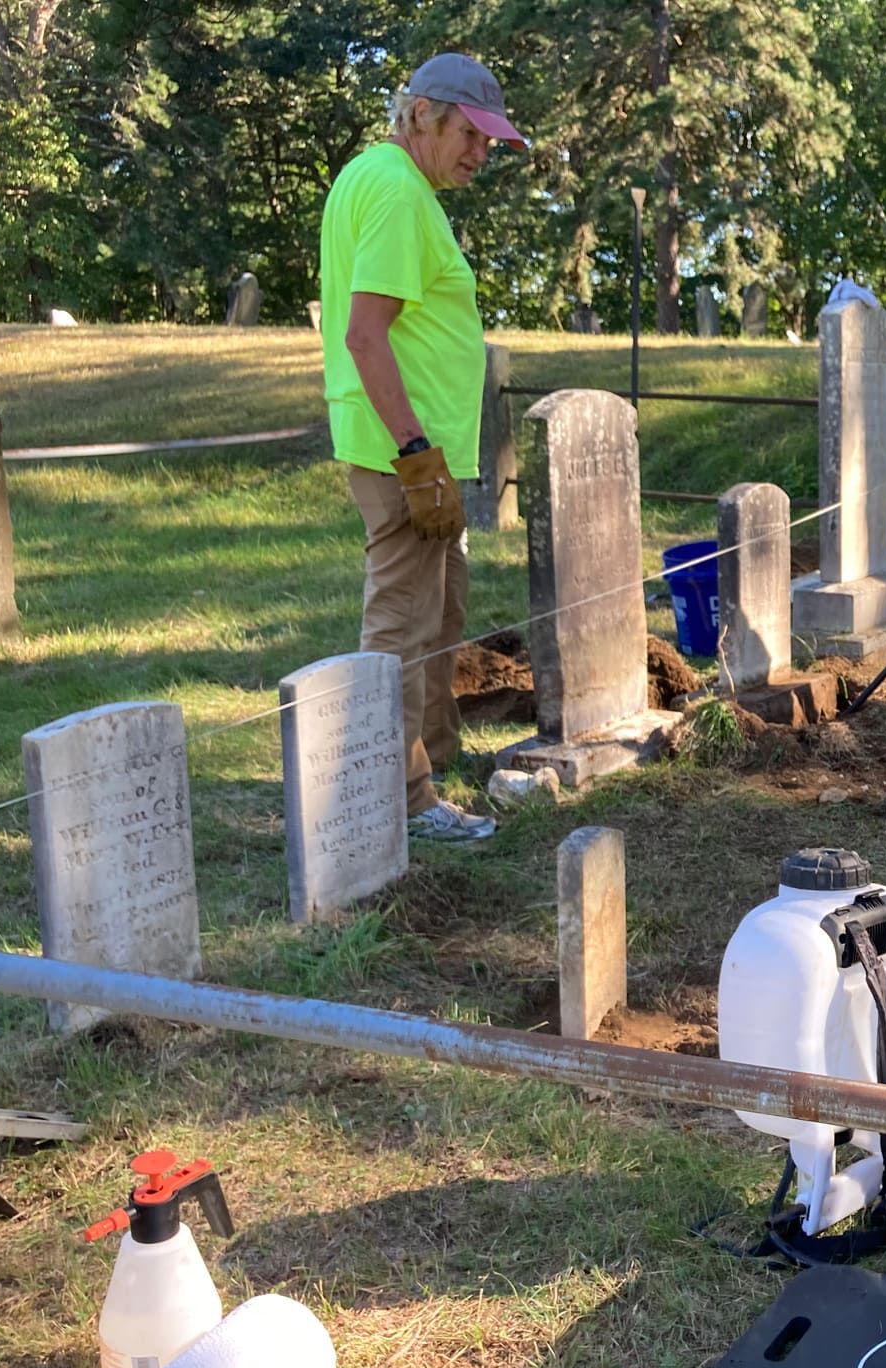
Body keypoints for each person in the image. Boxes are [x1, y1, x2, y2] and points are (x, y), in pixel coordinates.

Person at [319, 54, 527, 842]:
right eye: (470, 134)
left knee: (441, 608)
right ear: (422, 116)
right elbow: (364, 335)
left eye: (490, 140)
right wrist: (414, 452)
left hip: (415, 447)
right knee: (402, 623)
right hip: (400, 449)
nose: (482, 152)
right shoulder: (399, 193)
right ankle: (401, 800)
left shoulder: (377, 178)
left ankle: (433, 758)